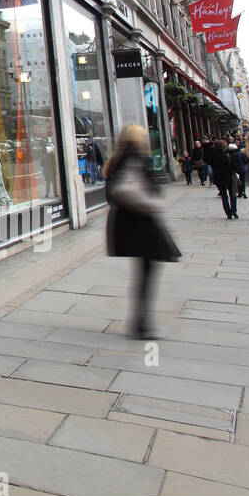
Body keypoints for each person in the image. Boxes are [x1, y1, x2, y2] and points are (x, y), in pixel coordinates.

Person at [105, 124, 181, 340]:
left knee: (144, 271)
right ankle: (141, 323)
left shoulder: (117, 159)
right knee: (146, 272)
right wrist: (152, 204)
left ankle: (140, 321)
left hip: (127, 221)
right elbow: (126, 191)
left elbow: (111, 194)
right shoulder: (135, 158)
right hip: (139, 220)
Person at [207, 140, 236, 218]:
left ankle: (228, 213)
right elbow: (233, 167)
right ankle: (233, 210)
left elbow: (211, 166)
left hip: (219, 178)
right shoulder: (228, 156)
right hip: (229, 177)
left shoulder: (213, 156)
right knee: (232, 194)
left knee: (224, 196)